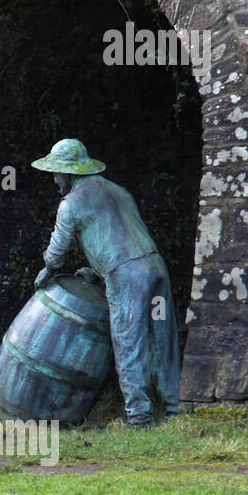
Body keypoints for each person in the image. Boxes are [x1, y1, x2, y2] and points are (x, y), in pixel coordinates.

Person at [32, 139, 180, 427]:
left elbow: (59, 248)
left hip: (127, 276)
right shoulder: (118, 191)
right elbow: (121, 236)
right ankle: (174, 410)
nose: (54, 179)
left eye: (56, 173)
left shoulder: (71, 204)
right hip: (155, 268)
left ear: (67, 173)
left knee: (129, 341)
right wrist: (96, 272)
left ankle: (140, 418)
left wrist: (48, 269)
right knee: (163, 338)